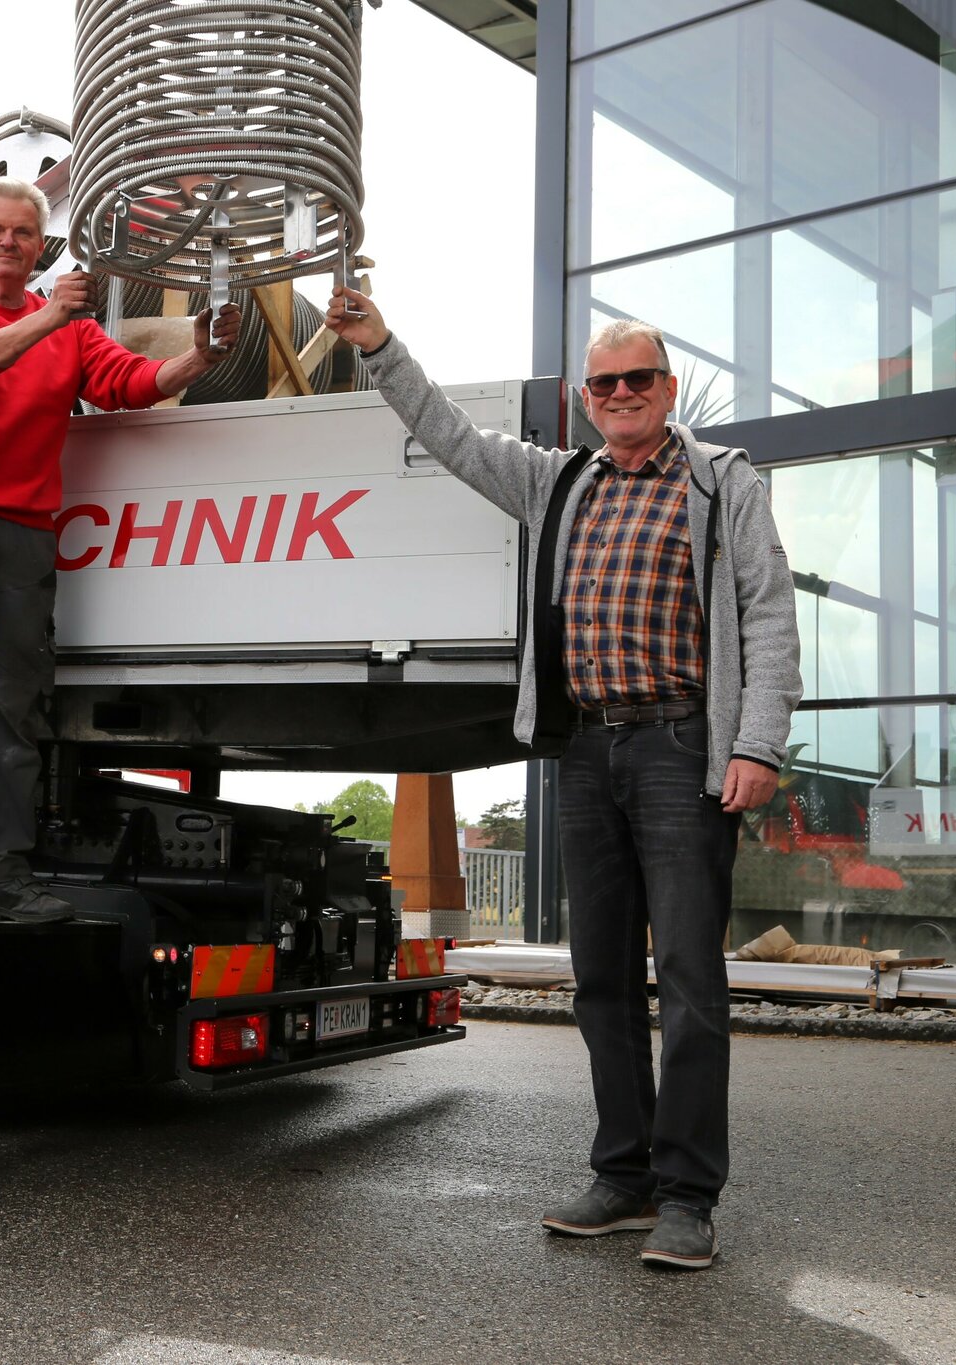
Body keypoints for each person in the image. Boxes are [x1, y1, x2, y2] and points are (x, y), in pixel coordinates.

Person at [324, 289, 801, 1271]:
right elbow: (450, 437)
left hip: (679, 752)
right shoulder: (557, 482)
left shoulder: (720, 484)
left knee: (688, 979)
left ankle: (684, 1197)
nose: (621, 392)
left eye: (638, 378)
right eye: (604, 382)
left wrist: (755, 743)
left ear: (666, 390)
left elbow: (768, 613)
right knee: (598, 983)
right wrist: (377, 345)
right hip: (585, 753)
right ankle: (621, 1177)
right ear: (585, 399)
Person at [0, 177, 241, 924]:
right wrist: (52, 318)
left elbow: (130, 382)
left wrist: (197, 358)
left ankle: (1, 884)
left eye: (24, 233)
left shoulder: (66, 327)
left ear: (41, 247)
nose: (9, 242)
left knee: (18, 714)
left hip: (24, 536)